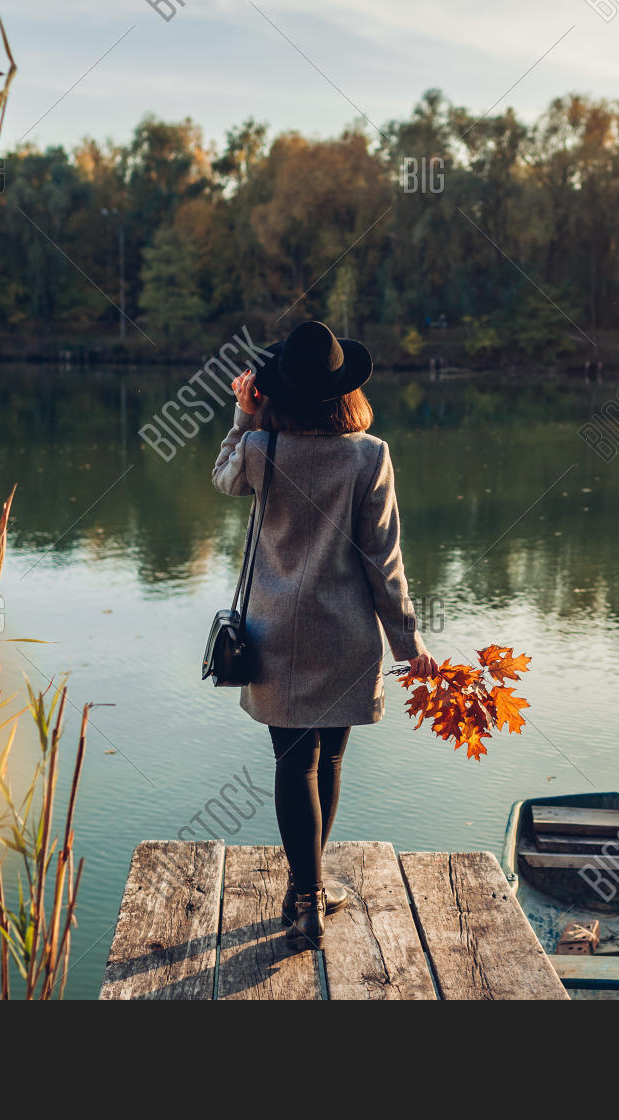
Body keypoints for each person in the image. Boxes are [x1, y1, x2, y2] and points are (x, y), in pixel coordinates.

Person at [211, 320, 438, 950]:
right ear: (344, 393)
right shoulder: (369, 455)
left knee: (292, 763)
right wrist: (409, 646)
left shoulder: (262, 448)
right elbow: (383, 561)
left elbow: (223, 479)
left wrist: (243, 415)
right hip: (344, 636)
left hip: (275, 636)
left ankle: (303, 896)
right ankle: (308, 892)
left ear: (276, 391)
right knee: (329, 758)